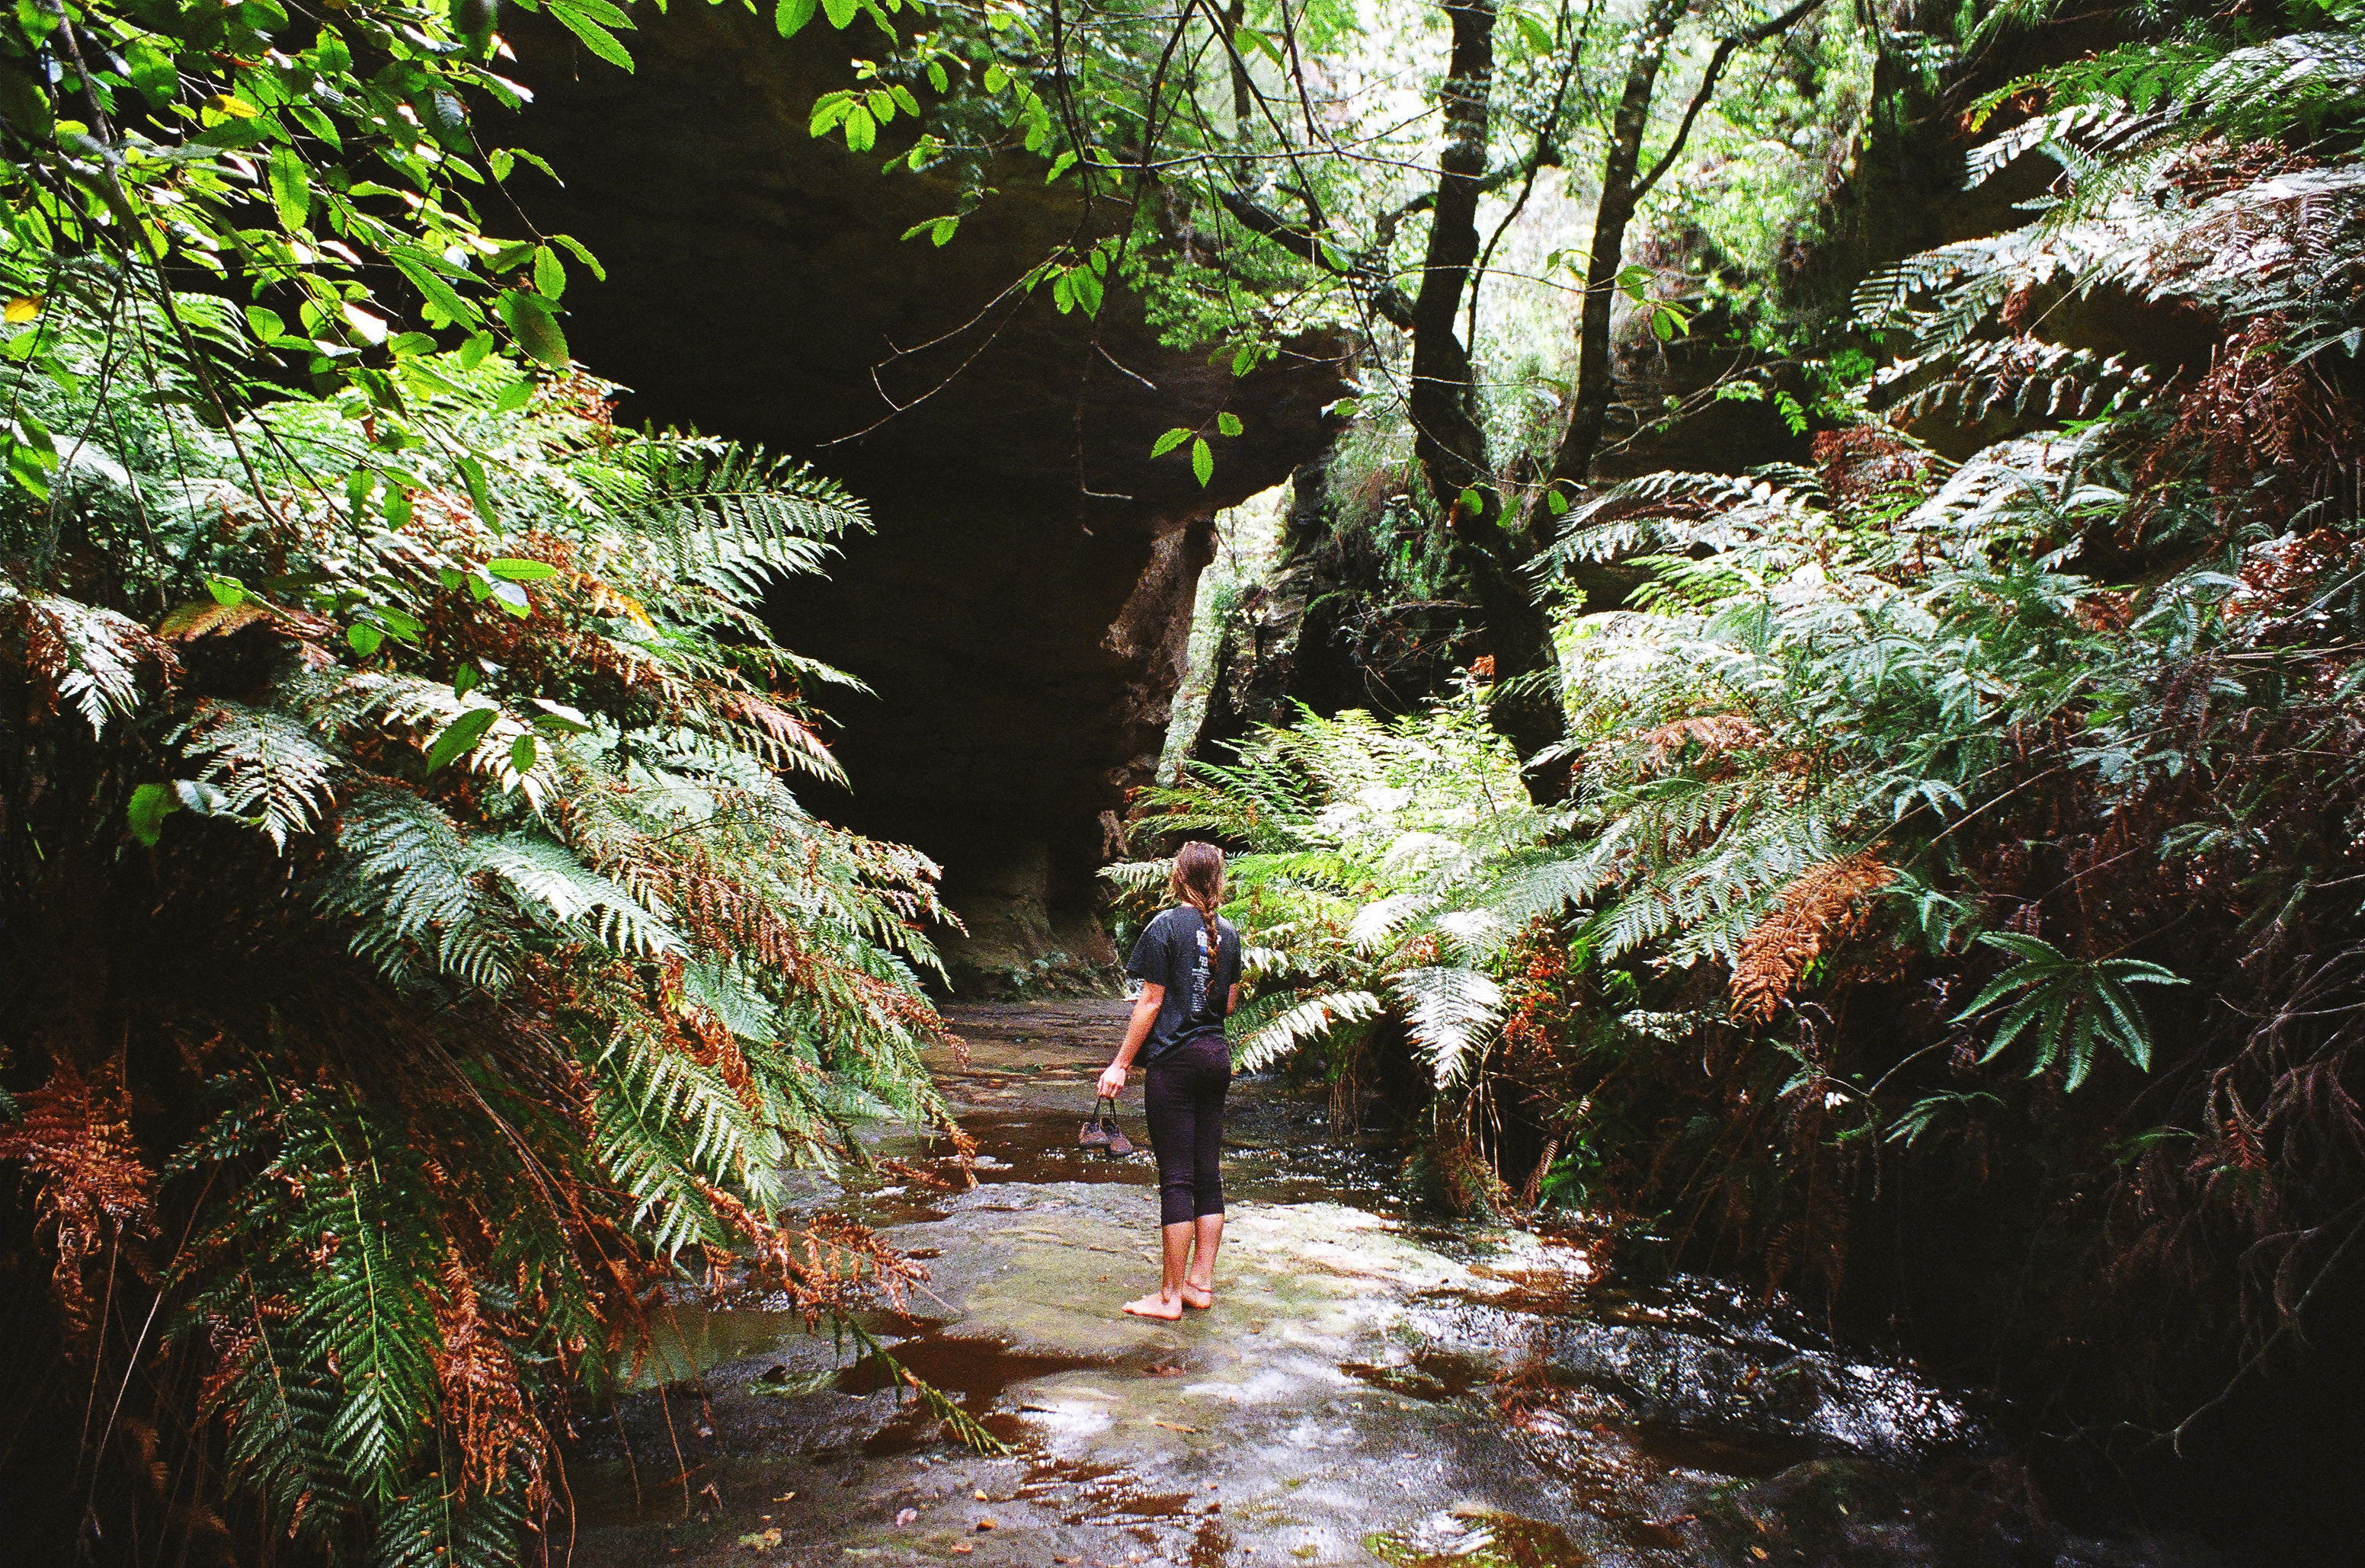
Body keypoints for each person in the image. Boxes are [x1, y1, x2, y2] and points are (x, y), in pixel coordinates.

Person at [1098, 841, 1242, 1321]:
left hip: (1175, 1062)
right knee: (1208, 1172)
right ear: (1218, 881)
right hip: (1216, 1057)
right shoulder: (1230, 933)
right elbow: (1227, 1005)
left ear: (1177, 877)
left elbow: (1151, 1003)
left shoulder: (1164, 927)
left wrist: (1120, 1064)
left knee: (1176, 1177)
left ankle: (1168, 1296)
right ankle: (1200, 1284)